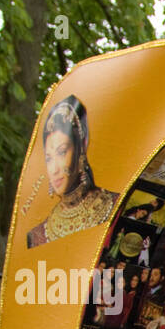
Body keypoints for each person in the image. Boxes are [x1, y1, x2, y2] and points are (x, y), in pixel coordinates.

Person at [26, 96, 118, 247]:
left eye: (62, 152)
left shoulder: (116, 205)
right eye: (49, 158)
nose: (54, 169)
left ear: (81, 147)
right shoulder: (37, 236)